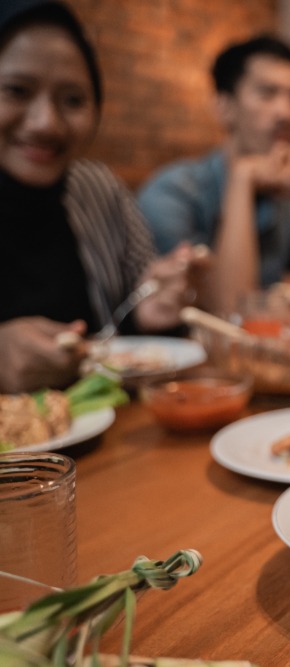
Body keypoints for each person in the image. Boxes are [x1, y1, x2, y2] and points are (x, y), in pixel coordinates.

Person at [0, 0, 203, 394]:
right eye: (16, 91)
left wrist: (151, 312)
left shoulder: (99, 189)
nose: (47, 122)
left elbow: (129, 325)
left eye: (73, 100)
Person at [137, 35, 290, 316]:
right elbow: (230, 313)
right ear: (224, 107)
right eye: (267, 93)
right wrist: (242, 178)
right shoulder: (172, 193)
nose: (287, 112)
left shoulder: (282, 206)